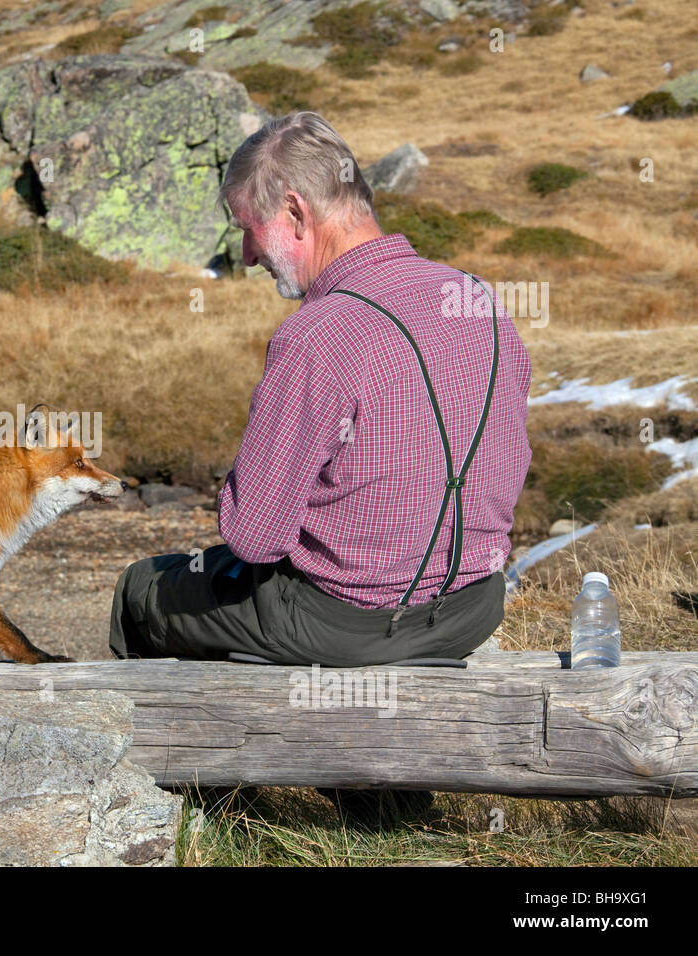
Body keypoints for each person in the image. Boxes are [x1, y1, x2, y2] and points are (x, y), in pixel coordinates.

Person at [109, 114, 532, 821]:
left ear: (296, 212)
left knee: (146, 592)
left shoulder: (318, 334)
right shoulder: (479, 299)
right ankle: (383, 815)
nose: (246, 254)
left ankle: (195, 819)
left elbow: (254, 538)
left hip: (347, 622)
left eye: (248, 227)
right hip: (474, 606)